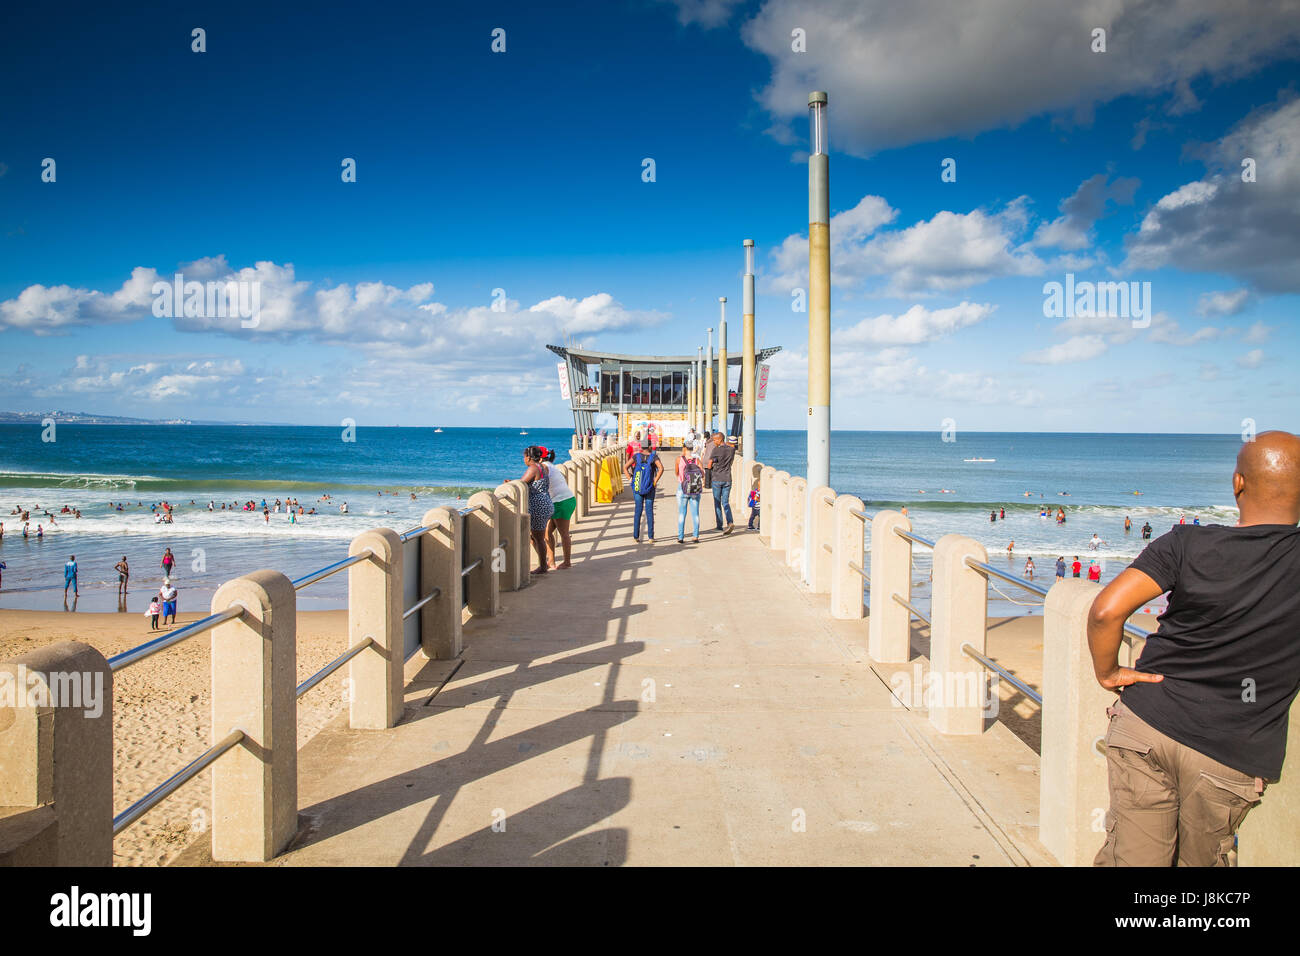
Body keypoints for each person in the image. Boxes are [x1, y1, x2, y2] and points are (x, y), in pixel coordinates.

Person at [1086, 430, 1300, 866]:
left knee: (1133, 857)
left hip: (1148, 720)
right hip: (1232, 745)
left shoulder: (1186, 543)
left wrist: (1108, 673)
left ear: (1238, 483)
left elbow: (1107, 610)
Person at [539, 447, 575, 569]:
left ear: (539, 458)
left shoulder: (544, 467)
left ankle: (567, 562)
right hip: (562, 501)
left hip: (561, 502)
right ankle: (551, 561)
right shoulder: (550, 465)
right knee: (547, 532)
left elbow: (537, 483)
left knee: (563, 533)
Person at [520, 447, 554, 574]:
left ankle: (543, 567)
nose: (524, 459)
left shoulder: (533, 468)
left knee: (538, 538)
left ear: (528, 457)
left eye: (524, 457)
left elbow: (521, 483)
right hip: (546, 503)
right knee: (535, 537)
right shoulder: (543, 467)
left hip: (538, 506)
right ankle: (543, 564)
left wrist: (510, 483)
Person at [625, 440, 662, 543]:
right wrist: (655, 481)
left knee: (638, 511)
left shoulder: (636, 456)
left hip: (637, 487)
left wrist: (630, 480)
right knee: (649, 511)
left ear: (641, 446)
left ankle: (636, 536)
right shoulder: (654, 457)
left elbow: (625, 467)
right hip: (650, 487)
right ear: (650, 446)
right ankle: (651, 537)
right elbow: (661, 468)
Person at [703, 431, 735, 534]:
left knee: (717, 502)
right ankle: (730, 522)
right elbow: (731, 448)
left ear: (719, 439)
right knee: (725, 502)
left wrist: (712, 464)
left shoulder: (716, 450)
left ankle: (719, 525)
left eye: (715, 440)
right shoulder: (731, 450)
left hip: (717, 478)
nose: (714, 442)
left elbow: (709, 464)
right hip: (727, 479)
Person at [676, 444, 704, 543]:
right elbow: (702, 474)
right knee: (695, 513)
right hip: (695, 489)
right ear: (692, 449)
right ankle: (695, 536)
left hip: (682, 488)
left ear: (684, 448)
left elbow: (677, 473)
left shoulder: (679, 459)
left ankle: (680, 537)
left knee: (682, 514)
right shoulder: (697, 460)